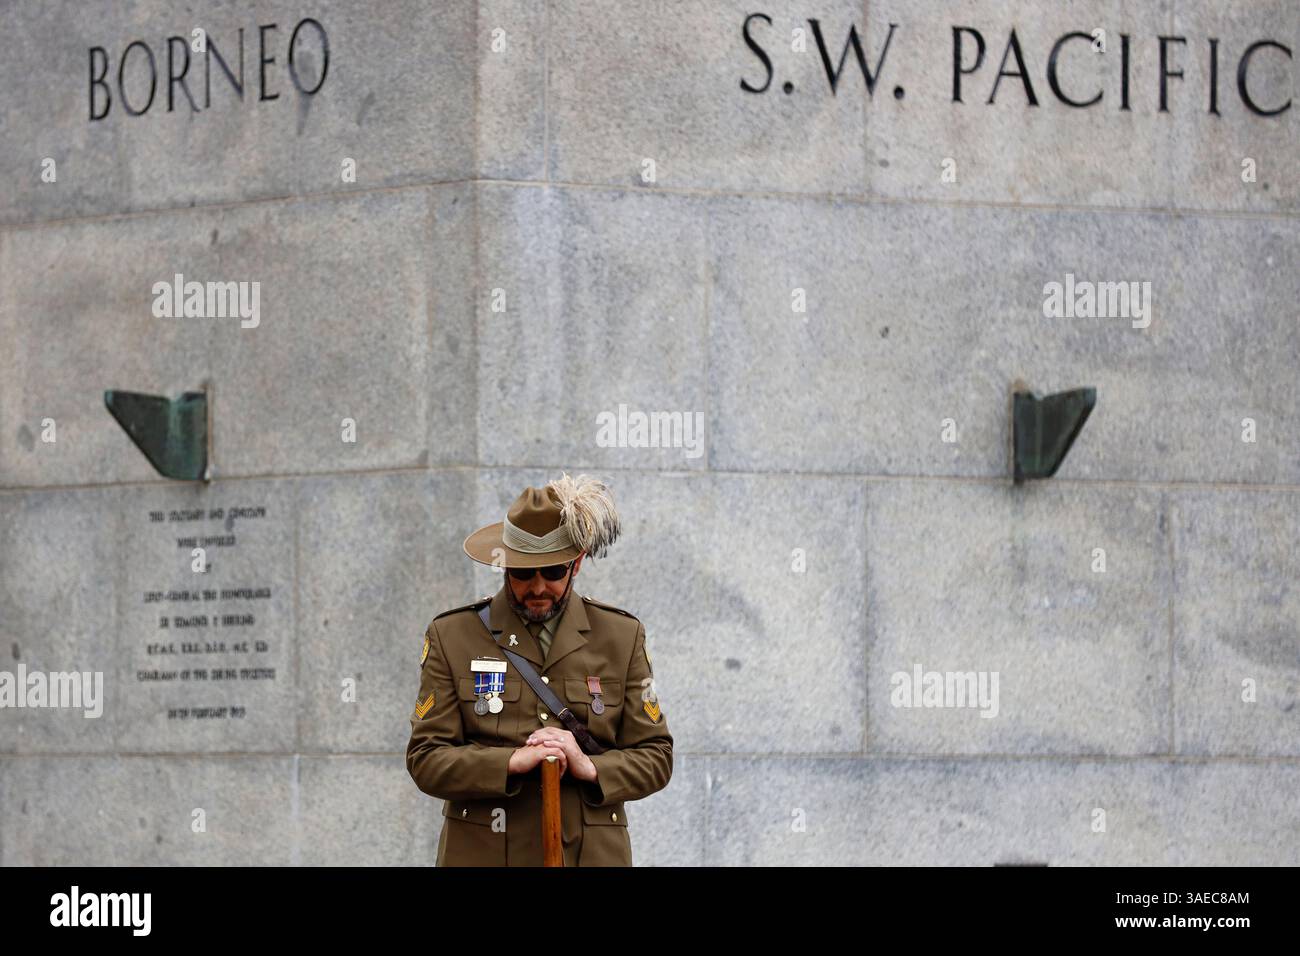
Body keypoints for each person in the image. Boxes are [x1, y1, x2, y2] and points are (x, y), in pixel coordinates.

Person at [406, 473, 672, 865]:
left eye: (553, 572)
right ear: (504, 566)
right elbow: (426, 758)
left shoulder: (621, 635)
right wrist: (511, 762)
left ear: (576, 564)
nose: (537, 587)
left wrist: (588, 765)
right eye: (522, 573)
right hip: (484, 854)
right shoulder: (453, 635)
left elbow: (656, 756)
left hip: (589, 856)